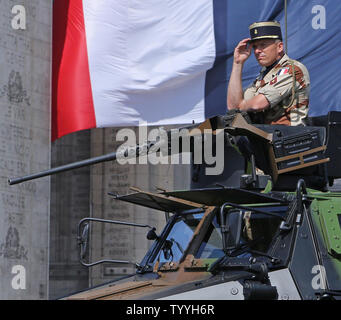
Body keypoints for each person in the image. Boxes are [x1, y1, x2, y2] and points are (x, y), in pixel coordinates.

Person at [227, 21, 310, 126]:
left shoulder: (292, 70)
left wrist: (240, 106)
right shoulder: (265, 74)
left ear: (279, 47)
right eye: (255, 47)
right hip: (267, 136)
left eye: (263, 45)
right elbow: (233, 107)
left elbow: (257, 104)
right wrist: (237, 63)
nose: (257, 51)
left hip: (291, 137)